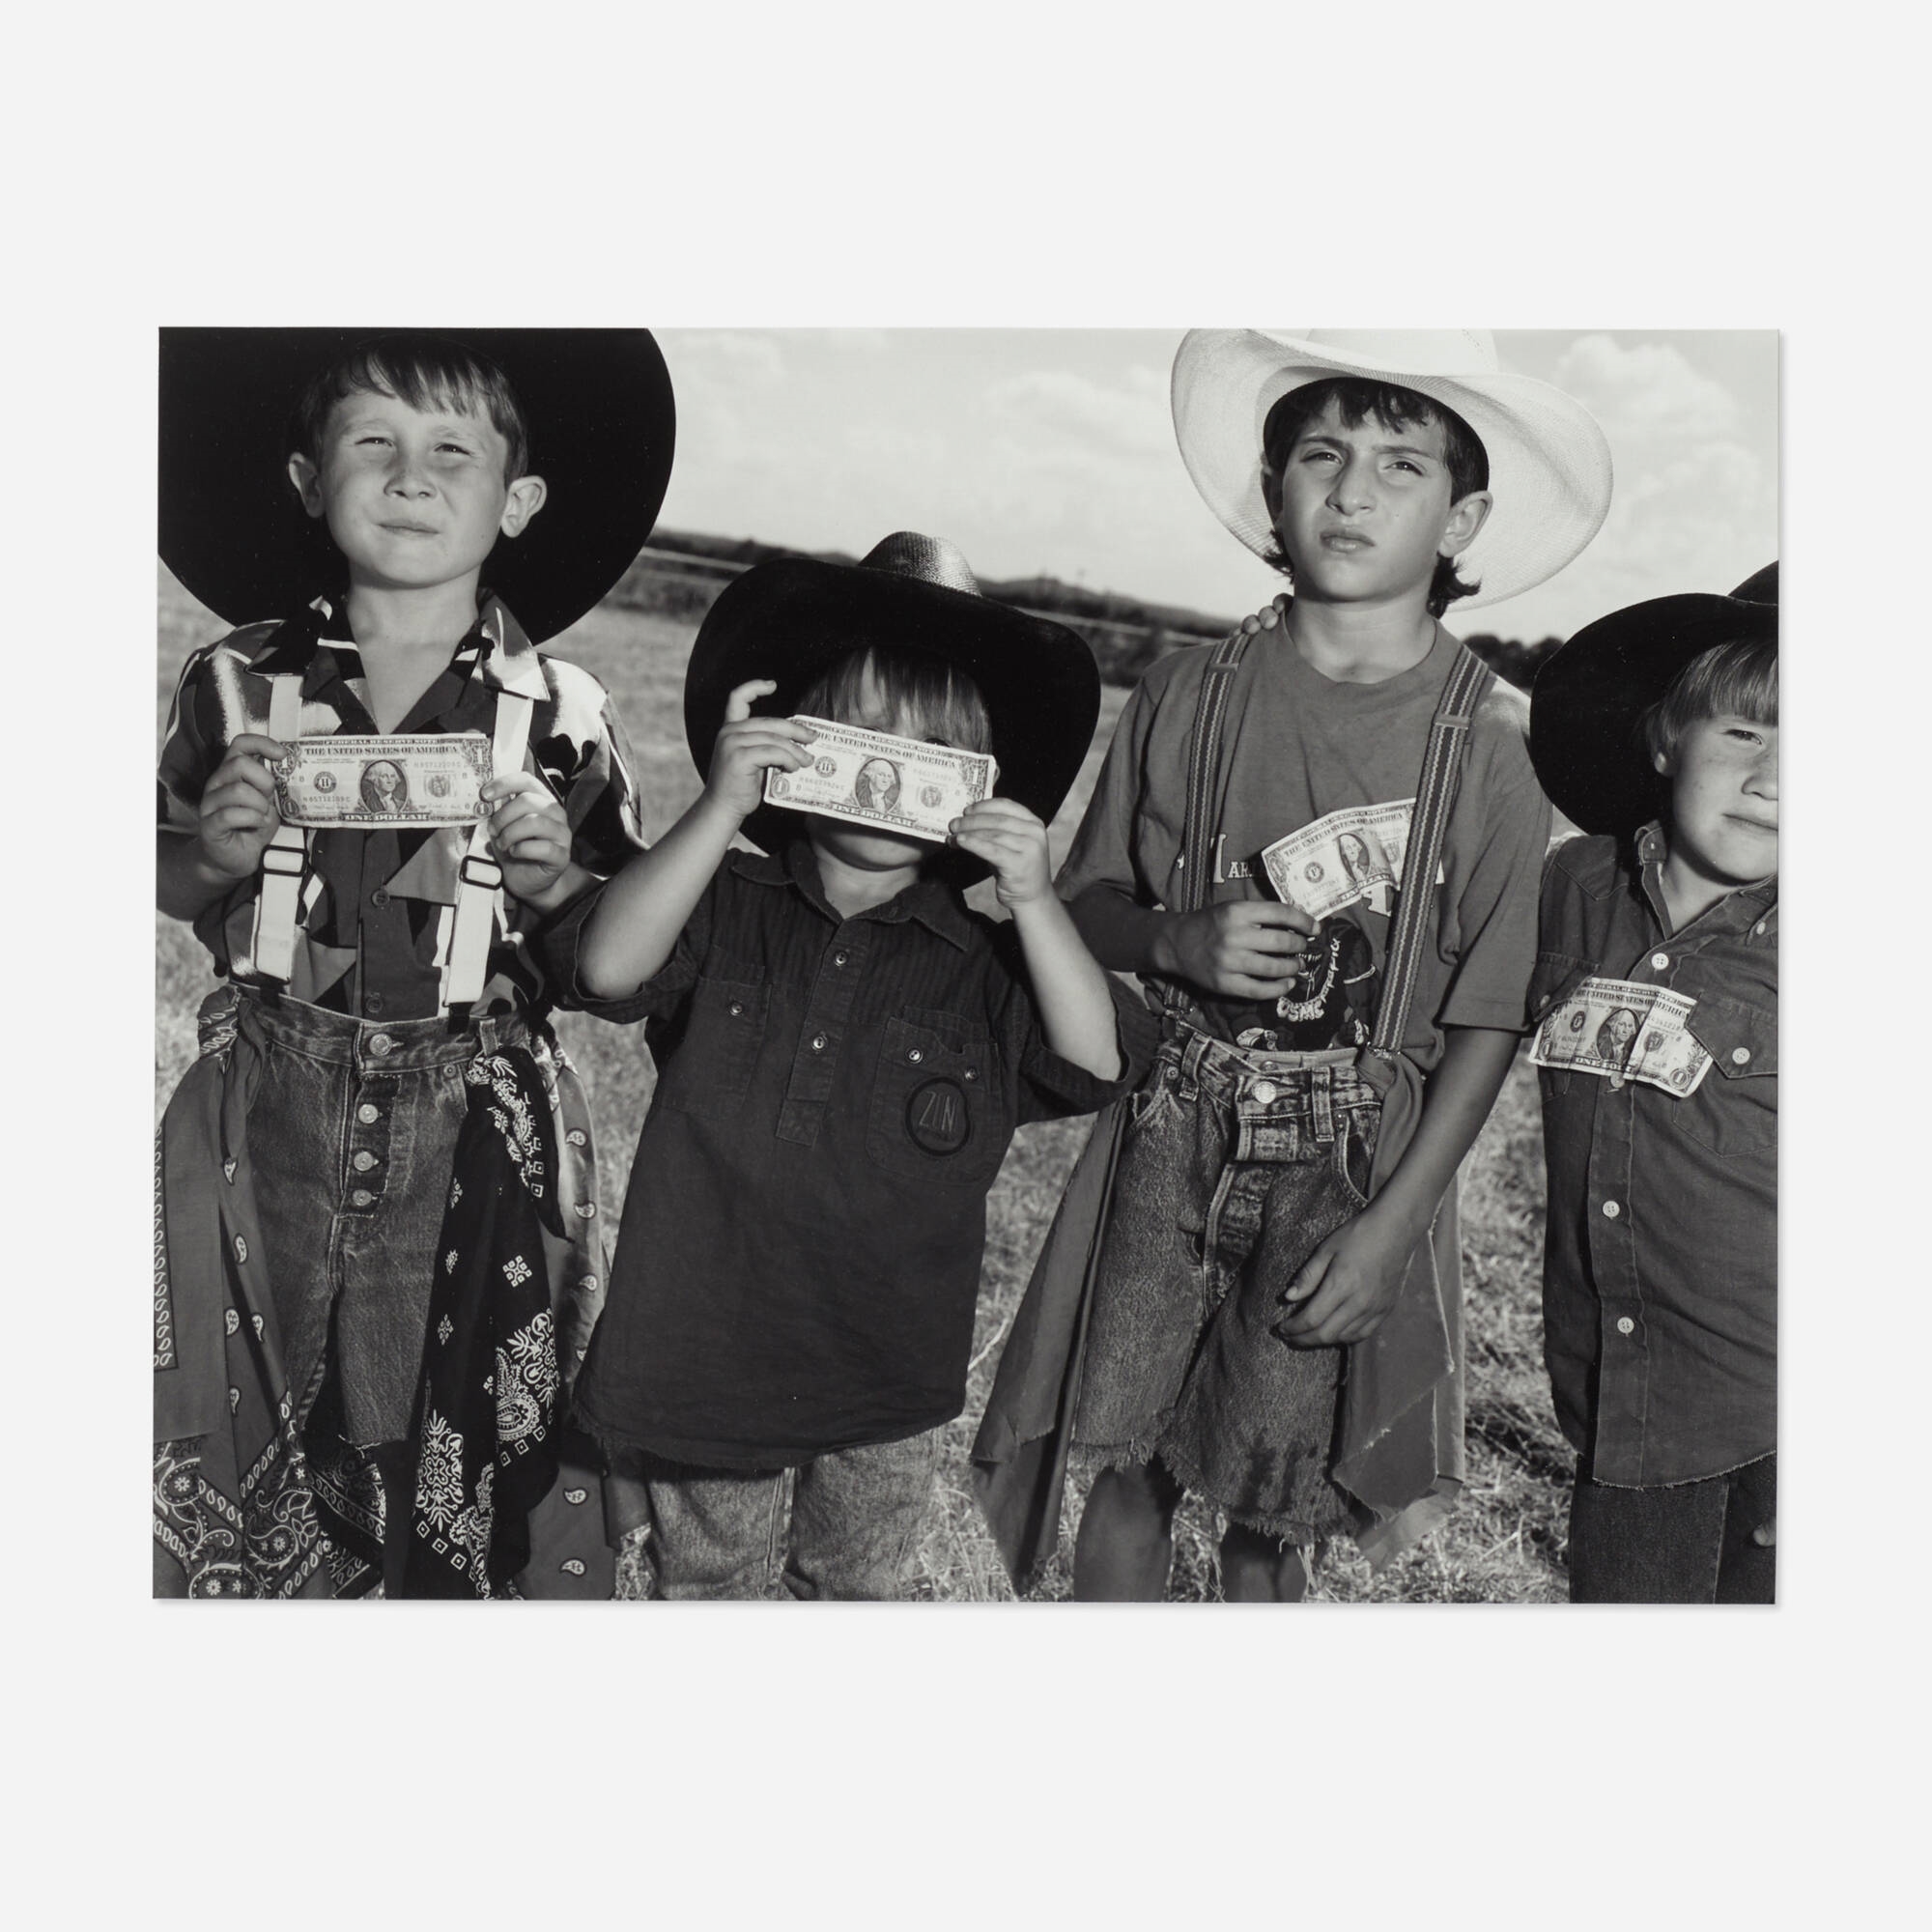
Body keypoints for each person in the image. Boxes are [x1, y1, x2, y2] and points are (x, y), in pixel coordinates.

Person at [979, 328, 1613, 1600]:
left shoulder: (1495, 742)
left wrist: (1394, 1229)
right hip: (1172, 1133)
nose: (1355, 490)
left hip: (1357, 1164)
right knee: (1124, 1467)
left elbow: (1488, 1018)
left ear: (1464, 514)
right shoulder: (1185, 693)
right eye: (1321, 455)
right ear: (1272, 489)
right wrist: (1174, 940)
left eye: (1401, 464)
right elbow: (1081, 901)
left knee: (1277, 1502)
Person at [153, 328, 675, 1597]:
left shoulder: (562, 715)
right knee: (239, 1421)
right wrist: (210, 852)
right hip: (263, 1111)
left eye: (454, 450)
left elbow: (619, 966)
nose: (409, 475)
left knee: (455, 1439)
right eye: (371, 442)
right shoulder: (234, 685)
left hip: (479, 1130)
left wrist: (556, 881)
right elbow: (160, 881)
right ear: (303, 476)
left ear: (519, 501)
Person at [539, 532, 1147, 1600]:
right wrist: (717, 805)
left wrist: (1036, 899)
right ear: (788, 742)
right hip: (700, 1350)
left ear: (981, 780)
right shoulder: (722, 900)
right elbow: (603, 961)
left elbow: (1094, 1055)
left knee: (855, 1592)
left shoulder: (993, 959)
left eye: (925, 748)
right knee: (708, 1582)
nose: (882, 766)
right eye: (853, 732)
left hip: (882, 1376)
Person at [1526, 564, 1778, 1603]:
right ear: (1665, 733)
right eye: (1744, 733)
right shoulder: (1574, 889)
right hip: (1618, 1394)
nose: (1774, 778)